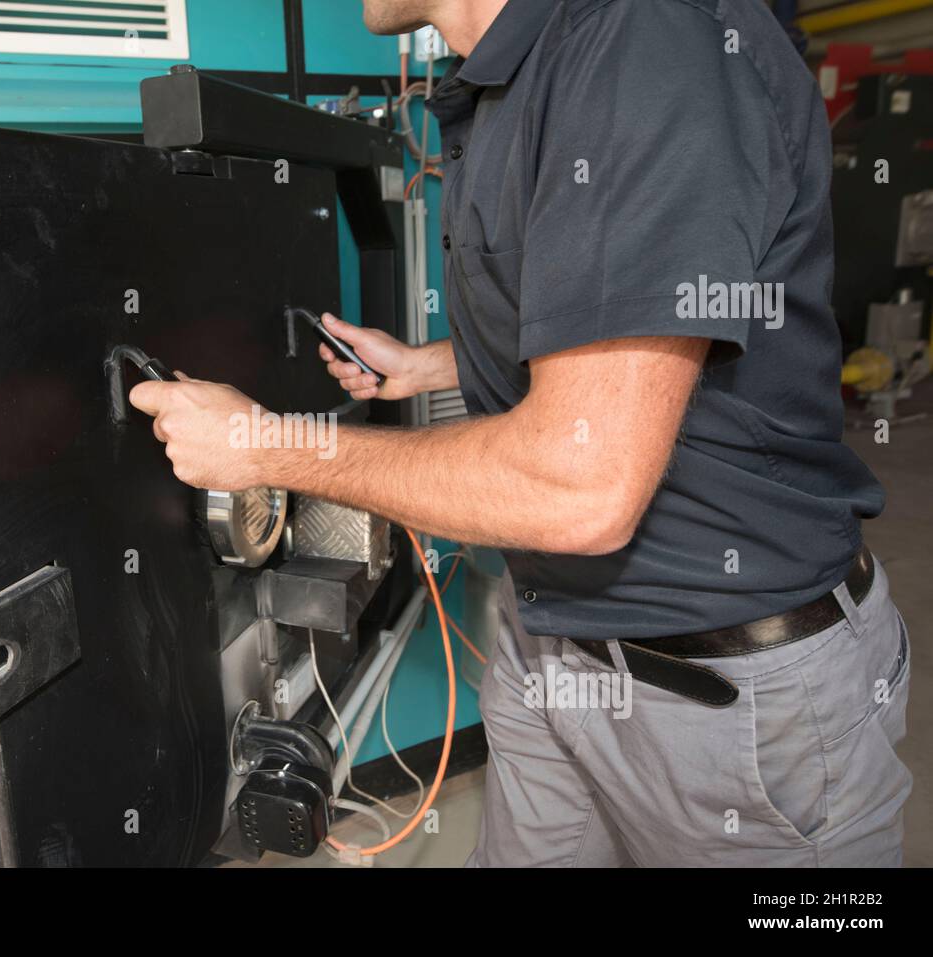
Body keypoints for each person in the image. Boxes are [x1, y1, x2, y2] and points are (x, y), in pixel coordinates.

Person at [130, 0, 912, 866]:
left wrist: (270, 447)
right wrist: (430, 365)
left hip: (732, 702)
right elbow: (598, 332)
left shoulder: (648, 40)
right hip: (552, 644)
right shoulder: (513, 79)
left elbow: (582, 487)